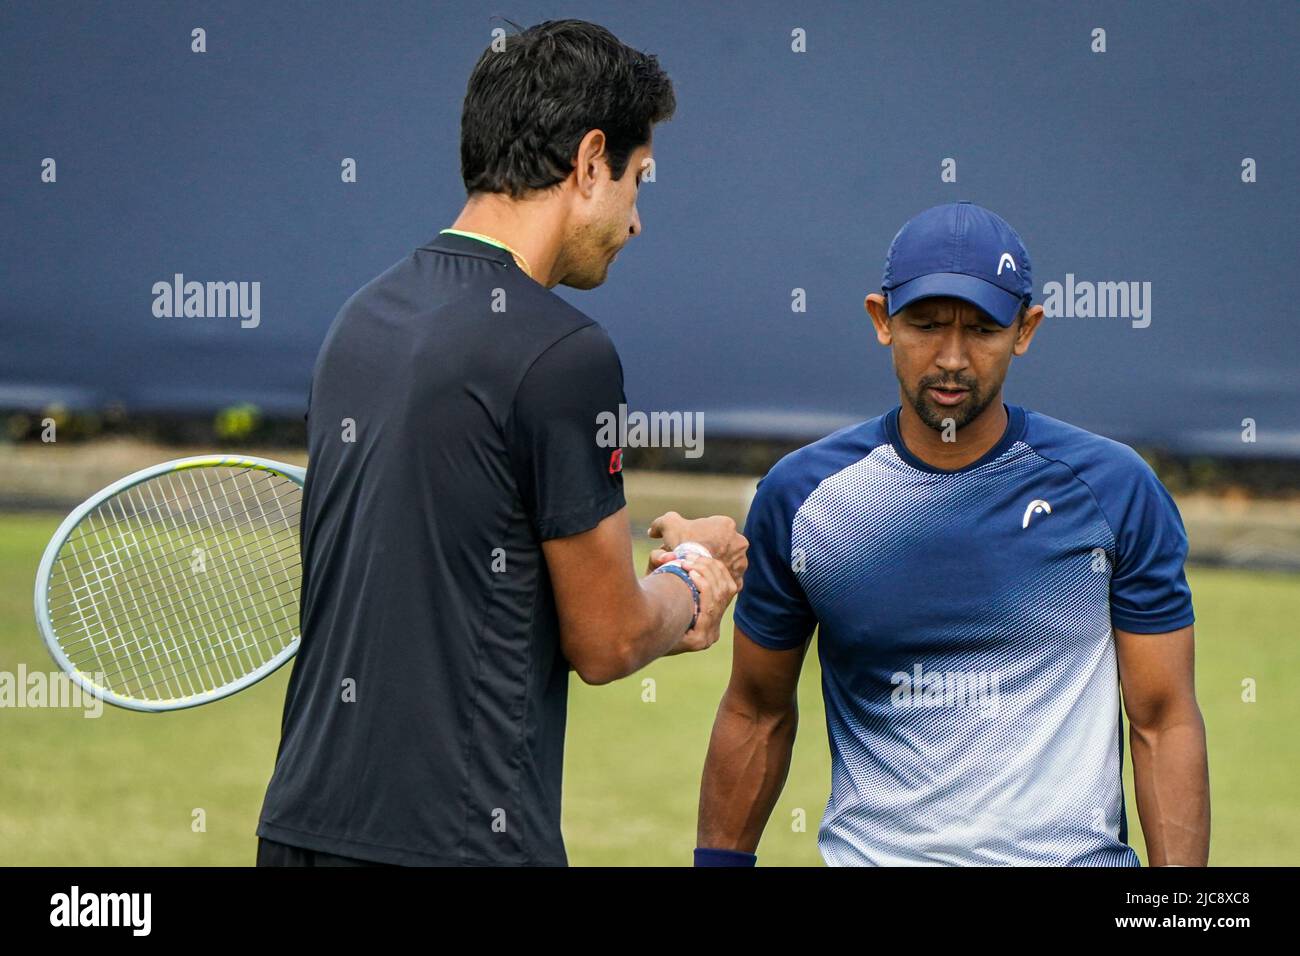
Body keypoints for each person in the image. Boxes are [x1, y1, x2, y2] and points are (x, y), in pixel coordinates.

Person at [257, 19, 747, 867]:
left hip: (296, 833)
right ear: (591, 162)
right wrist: (691, 581)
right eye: (638, 179)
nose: (637, 220)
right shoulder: (566, 353)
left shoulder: (359, 321)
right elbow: (608, 639)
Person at [694, 201, 1209, 866]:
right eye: (926, 325)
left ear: (1026, 330)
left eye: (984, 330)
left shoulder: (1114, 489)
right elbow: (757, 710)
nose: (953, 358)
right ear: (881, 320)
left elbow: (1163, 721)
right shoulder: (802, 498)